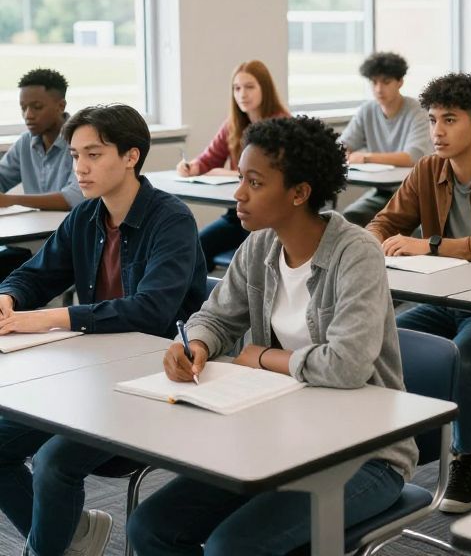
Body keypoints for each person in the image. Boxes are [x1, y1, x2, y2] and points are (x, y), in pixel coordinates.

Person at [128, 116, 414, 556]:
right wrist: (197, 345)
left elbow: (348, 364)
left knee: (232, 547)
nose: (239, 193)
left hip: (364, 453)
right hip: (278, 437)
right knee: (151, 526)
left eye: (255, 183)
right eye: (241, 178)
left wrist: (261, 357)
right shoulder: (260, 245)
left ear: (299, 193)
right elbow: (217, 317)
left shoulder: (356, 253)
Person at [0, 104, 207, 556]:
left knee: (55, 461)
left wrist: (55, 317)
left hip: (155, 383)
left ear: (131, 156)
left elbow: (151, 312)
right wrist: (9, 297)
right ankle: (72, 535)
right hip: (92, 376)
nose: (80, 168)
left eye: (93, 155)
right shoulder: (86, 215)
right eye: (75, 156)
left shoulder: (170, 219)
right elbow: (35, 274)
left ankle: (52, 543)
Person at [367, 73, 471, 514]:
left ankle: (468, 455)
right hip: (445, 300)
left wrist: (431, 245)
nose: (437, 131)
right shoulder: (427, 169)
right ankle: (385, 447)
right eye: (431, 120)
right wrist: (369, 243)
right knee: (386, 338)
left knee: (462, 355)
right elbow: (385, 222)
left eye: (450, 120)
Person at [177, 60, 289, 270]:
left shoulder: (282, 125)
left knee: (250, 261)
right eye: (237, 88)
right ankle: (200, 302)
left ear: (265, 89)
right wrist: (191, 167)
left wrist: (230, 175)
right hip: (236, 215)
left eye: (249, 87)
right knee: (194, 250)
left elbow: (276, 174)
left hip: (268, 219)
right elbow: (208, 160)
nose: (242, 94)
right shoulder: (233, 124)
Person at [0, 69, 84, 280]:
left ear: (61, 106)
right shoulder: (25, 143)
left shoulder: (80, 140)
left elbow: (73, 197)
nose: (28, 115)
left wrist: (9, 200)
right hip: (33, 240)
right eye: (23, 108)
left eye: (37, 107)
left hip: (70, 241)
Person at [341, 52, 432, 227]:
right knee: (350, 217)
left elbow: (412, 157)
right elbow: (342, 145)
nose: (378, 89)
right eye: (374, 82)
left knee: (411, 226)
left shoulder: (418, 111)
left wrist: (366, 157)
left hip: (416, 193)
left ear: (400, 82)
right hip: (383, 192)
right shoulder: (367, 110)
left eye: (386, 82)